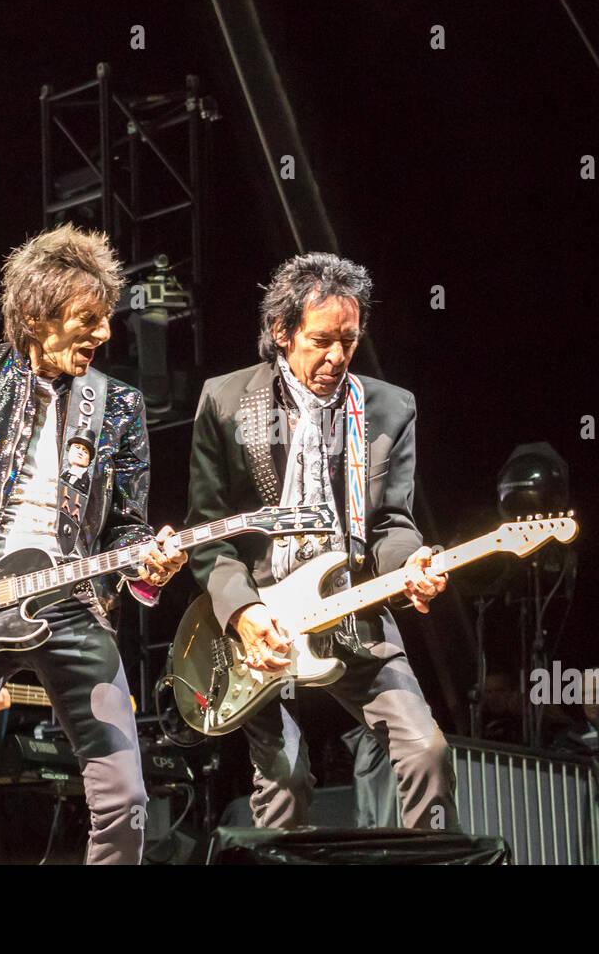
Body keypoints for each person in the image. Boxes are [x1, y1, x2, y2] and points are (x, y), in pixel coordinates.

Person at [0, 224, 186, 865]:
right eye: (87, 319)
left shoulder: (120, 406)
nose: (104, 334)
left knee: (127, 795)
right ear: (32, 315)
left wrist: (149, 565)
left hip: (74, 605)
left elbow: (128, 528)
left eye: (107, 318)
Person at [186, 252, 456, 830]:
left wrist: (413, 565)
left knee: (428, 752)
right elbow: (206, 531)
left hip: (351, 605)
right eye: (321, 340)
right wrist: (242, 611)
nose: (337, 356)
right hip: (264, 621)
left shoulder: (388, 408)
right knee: (285, 780)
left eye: (349, 341)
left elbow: (391, 524)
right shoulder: (225, 401)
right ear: (282, 334)